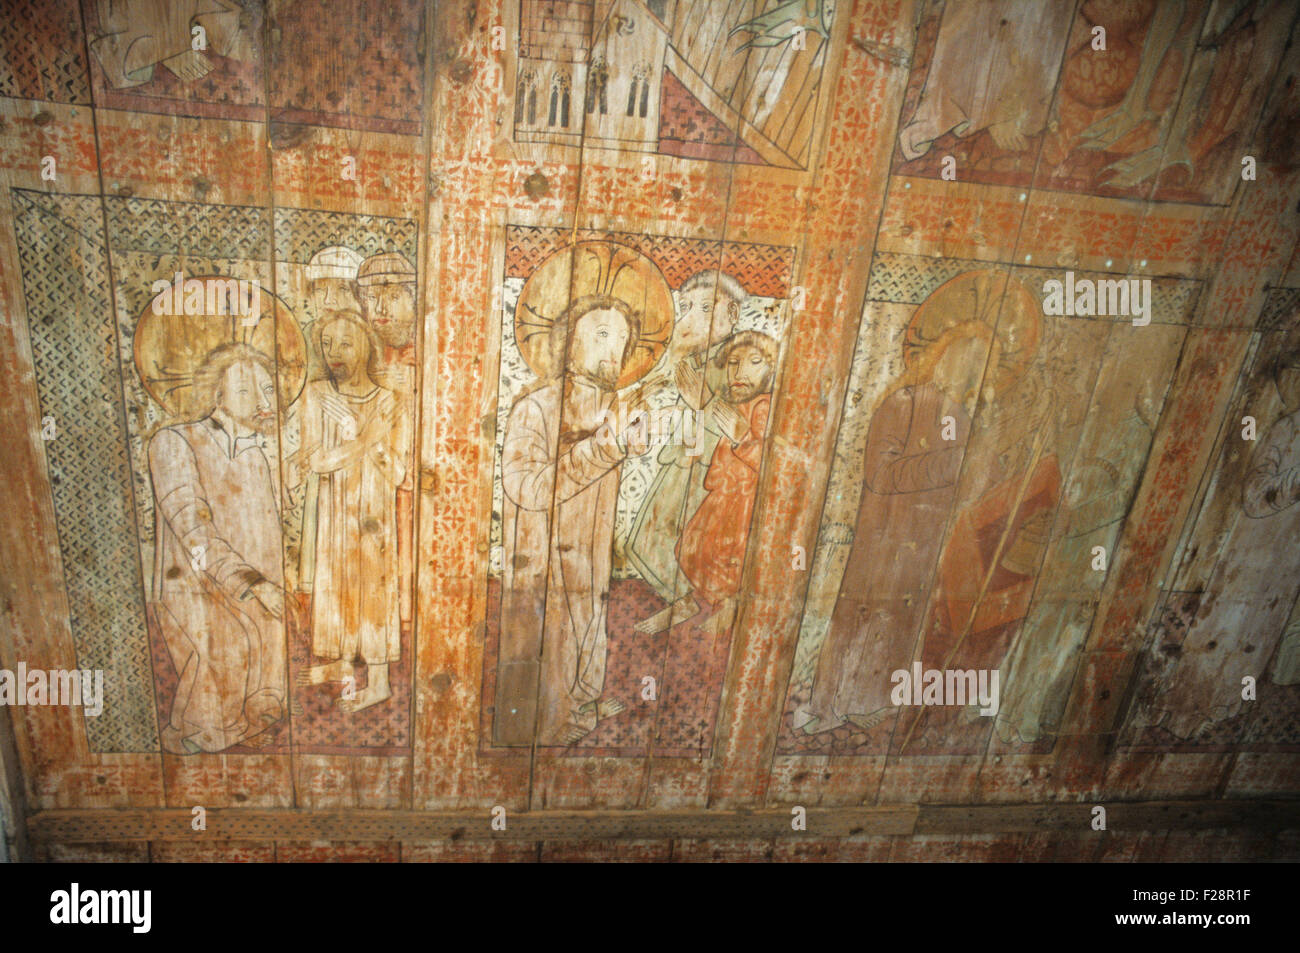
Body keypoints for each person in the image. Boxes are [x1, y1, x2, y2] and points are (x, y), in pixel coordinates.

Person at [496, 295, 652, 745]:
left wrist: (630, 442)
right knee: (549, 640)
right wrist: (604, 449)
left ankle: (580, 706)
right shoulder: (536, 407)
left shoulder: (615, 408)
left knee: (588, 622)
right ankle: (545, 730)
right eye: (602, 334)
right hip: (541, 558)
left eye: (622, 339)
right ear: (569, 342)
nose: (614, 349)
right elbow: (526, 488)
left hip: (590, 553)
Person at [148, 344, 288, 753]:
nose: (263, 401)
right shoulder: (174, 442)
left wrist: (269, 586)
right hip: (193, 587)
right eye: (246, 391)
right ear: (217, 395)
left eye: (267, 389)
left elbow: (265, 539)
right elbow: (191, 527)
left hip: (252, 588)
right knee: (223, 662)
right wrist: (251, 583)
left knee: (262, 690)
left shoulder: (256, 457)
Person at [292, 311, 410, 712]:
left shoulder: (390, 401)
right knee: (336, 585)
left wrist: (373, 443)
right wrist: (363, 437)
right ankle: (341, 664)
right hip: (334, 511)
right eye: (327, 344)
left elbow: (396, 473)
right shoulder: (317, 394)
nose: (334, 353)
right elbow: (317, 461)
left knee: (374, 590)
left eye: (345, 343)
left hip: (375, 514)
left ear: (365, 347)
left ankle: (378, 682)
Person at [640, 331, 777, 636]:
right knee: (695, 548)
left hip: (745, 503)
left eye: (755, 362)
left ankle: (723, 609)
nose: (740, 373)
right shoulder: (739, 402)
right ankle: (697, 601)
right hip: (724, 495)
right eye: (732, 363)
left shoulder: (766, 407)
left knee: (727, 558)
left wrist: (742, 436)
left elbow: (776, 462)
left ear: (773, 369)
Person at [625, 270, 745, 606]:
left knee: (687, 541)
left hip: (710, 464)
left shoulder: (740, 358)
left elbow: (743, 423)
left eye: (707, 308)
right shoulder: (691, 358)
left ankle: (693, 606)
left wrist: (703, 402)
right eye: (688, 306)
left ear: (732, 314)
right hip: (683, 453)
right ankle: (680, 602)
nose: (693, 317)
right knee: (647, 538)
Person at [358, 251, 418, 635]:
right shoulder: (357, 351)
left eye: (393, 295)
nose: (380, 306)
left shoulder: (429, 352)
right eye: (372, 297)